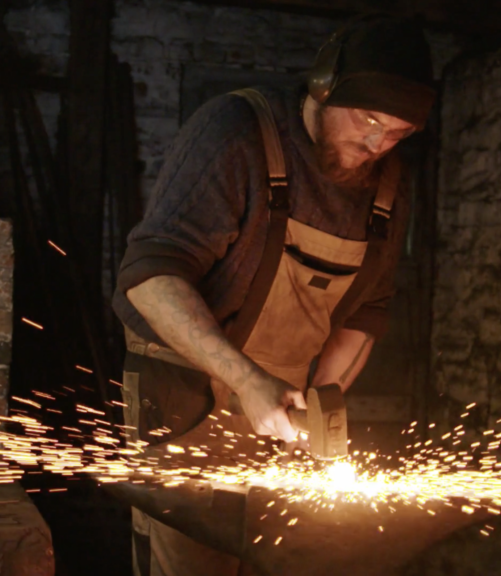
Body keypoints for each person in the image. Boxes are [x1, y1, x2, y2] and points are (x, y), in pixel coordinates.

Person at [111, 15, 437, 576]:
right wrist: (245, 379)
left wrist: (323, 403)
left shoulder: (389, 182)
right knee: (194, 563)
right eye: (369, 119)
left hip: (282, 404)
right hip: (189, 391)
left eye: (400, 134)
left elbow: (369, 311)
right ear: (323, 86)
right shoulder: (237, 134)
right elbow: (150, 277)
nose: (378, 144)